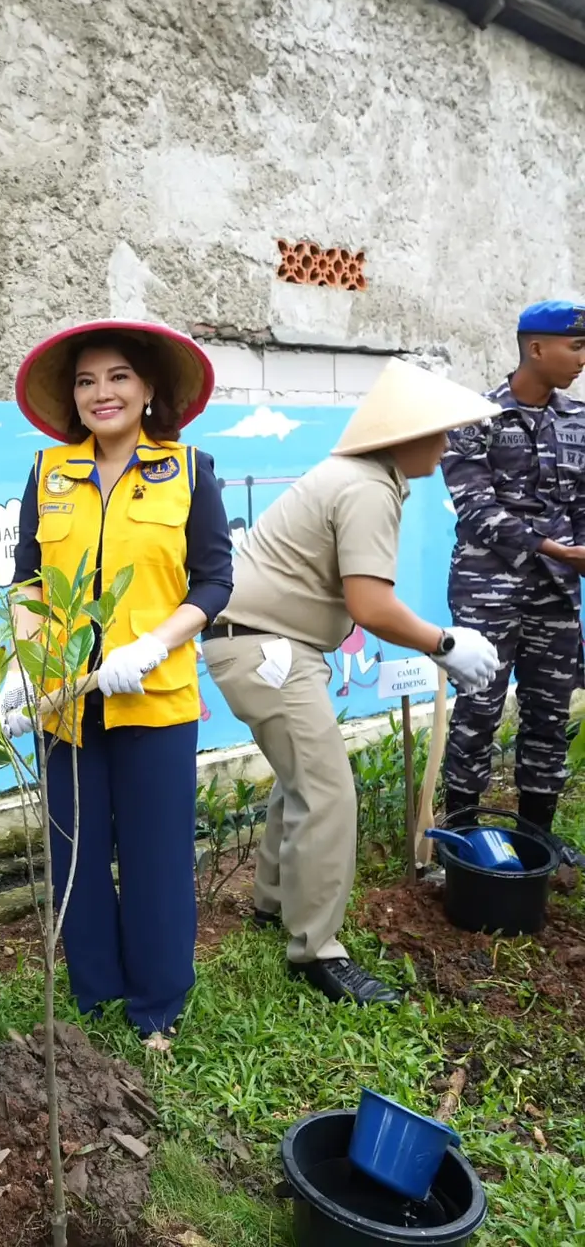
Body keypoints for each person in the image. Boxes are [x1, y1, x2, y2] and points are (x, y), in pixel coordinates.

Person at [202, 359, 501, 1007]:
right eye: (439, 434)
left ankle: (274, 904)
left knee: (301, 782)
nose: (446, 448)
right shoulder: (367, 486)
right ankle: (317, 952)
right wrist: (446, 644)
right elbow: (370, 606)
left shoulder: (357, 477)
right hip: (266, 646)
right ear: (405, 435)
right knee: (329, 793)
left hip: (258, 644)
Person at [0, 320, 233, 1043]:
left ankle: (157, 1008)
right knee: (75, 852)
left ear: (149, 389)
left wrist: (154, 646)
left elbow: (215, 581)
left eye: (119, 376)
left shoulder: (190, 471)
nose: (103, 392)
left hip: (152, 697)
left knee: (156, 854)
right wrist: (22, 665)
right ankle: (95, 995)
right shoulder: (49, 474)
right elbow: (29, 581)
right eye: (86, 380)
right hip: (64, 703)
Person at [441, 300, 585, 866]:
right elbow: (476, 509)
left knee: (550, 712)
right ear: (536, 348)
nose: (582, 359)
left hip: (556, 595)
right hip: (487, 590)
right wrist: (559, 550)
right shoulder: (475, 416)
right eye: (575, 347)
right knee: (478, 707)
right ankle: (463, 831)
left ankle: (535, 834)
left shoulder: (578, 421)